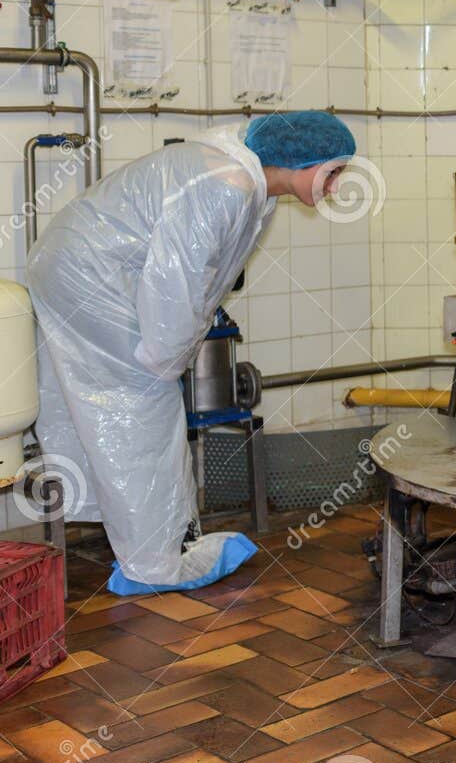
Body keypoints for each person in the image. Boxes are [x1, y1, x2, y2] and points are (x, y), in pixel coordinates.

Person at [27, 112, 358, 595]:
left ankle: (145, 539)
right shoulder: (226, 184)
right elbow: (176, 280)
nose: (335, 189)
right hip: (91, 275)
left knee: (115, 410)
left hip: (78, 267)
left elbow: (200, 273)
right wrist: (165, 359)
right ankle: (152, 565)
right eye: (333, 172)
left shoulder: (249, 185)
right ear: (299, 159)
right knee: (143, 407)